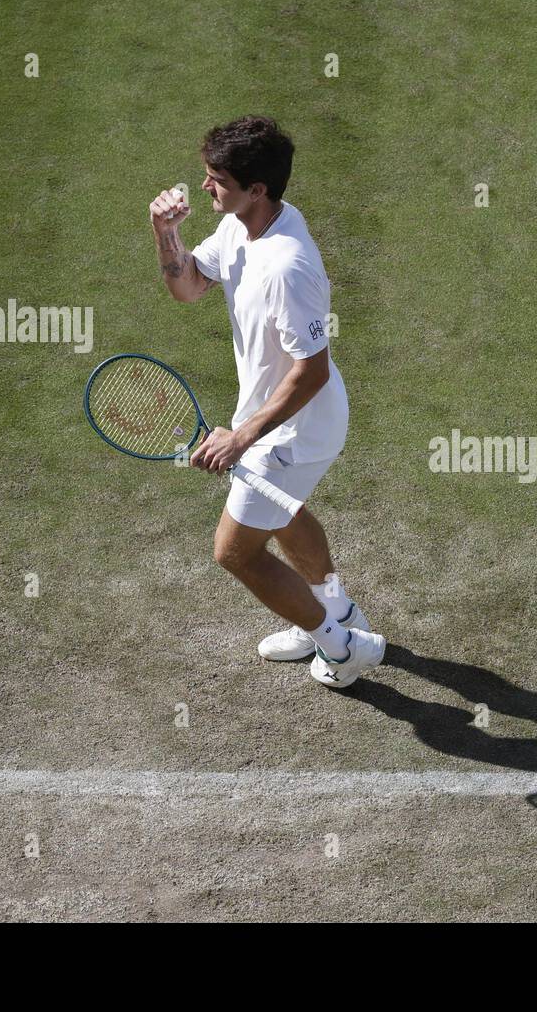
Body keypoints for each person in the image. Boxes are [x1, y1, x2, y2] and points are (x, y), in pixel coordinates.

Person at [149, 115, 384, 689]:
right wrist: (163, 232)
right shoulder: (241, 225)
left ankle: (341, 645)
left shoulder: (287, 266)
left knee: (235, 553)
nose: (205, 187)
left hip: (293, 430)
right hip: (279, 422)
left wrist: (243, 435)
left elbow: (312, 369)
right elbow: (188, 287)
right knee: (284, 514)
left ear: (257, 188)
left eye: (217, 179)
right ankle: (336, 615)